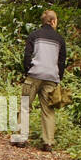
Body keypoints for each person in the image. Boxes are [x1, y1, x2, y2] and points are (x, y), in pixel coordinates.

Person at [20, 9, 67, 151]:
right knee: (48, 110)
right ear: (53, 21)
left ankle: (21, 139)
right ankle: (48, 143)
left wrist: (28, 70)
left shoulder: (34, 35)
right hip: (51, 78)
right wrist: (58, 78)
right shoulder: (60, 39)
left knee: (25, 105)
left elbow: (27, 56)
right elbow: (61, 61)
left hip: (34, 75)